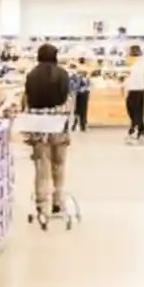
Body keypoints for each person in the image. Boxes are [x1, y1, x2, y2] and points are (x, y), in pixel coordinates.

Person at [23, 43, 71, 214]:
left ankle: (41, 202)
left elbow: (28, 97)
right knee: (59, 163)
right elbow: (65, 97)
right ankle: (58, 200)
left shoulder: (32, 75)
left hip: (37, 124)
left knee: (41, 164)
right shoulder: (63, 74)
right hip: (57, 122)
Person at [123, 44, 144, 144]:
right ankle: (140, 130)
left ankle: (135, 131)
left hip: (136, 88)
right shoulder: (136, 63)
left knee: (134, 111)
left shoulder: (140, 63)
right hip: (136, 89)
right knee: (137, 111)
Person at [69, 62, 91, 132]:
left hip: (83, 95)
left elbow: (88, 86)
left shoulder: (85, 79)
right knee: (79, 110)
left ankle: (81, 125)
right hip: (80, 95)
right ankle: (78, 125)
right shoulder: (79, 78)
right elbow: (76, 86)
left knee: (82, 110)